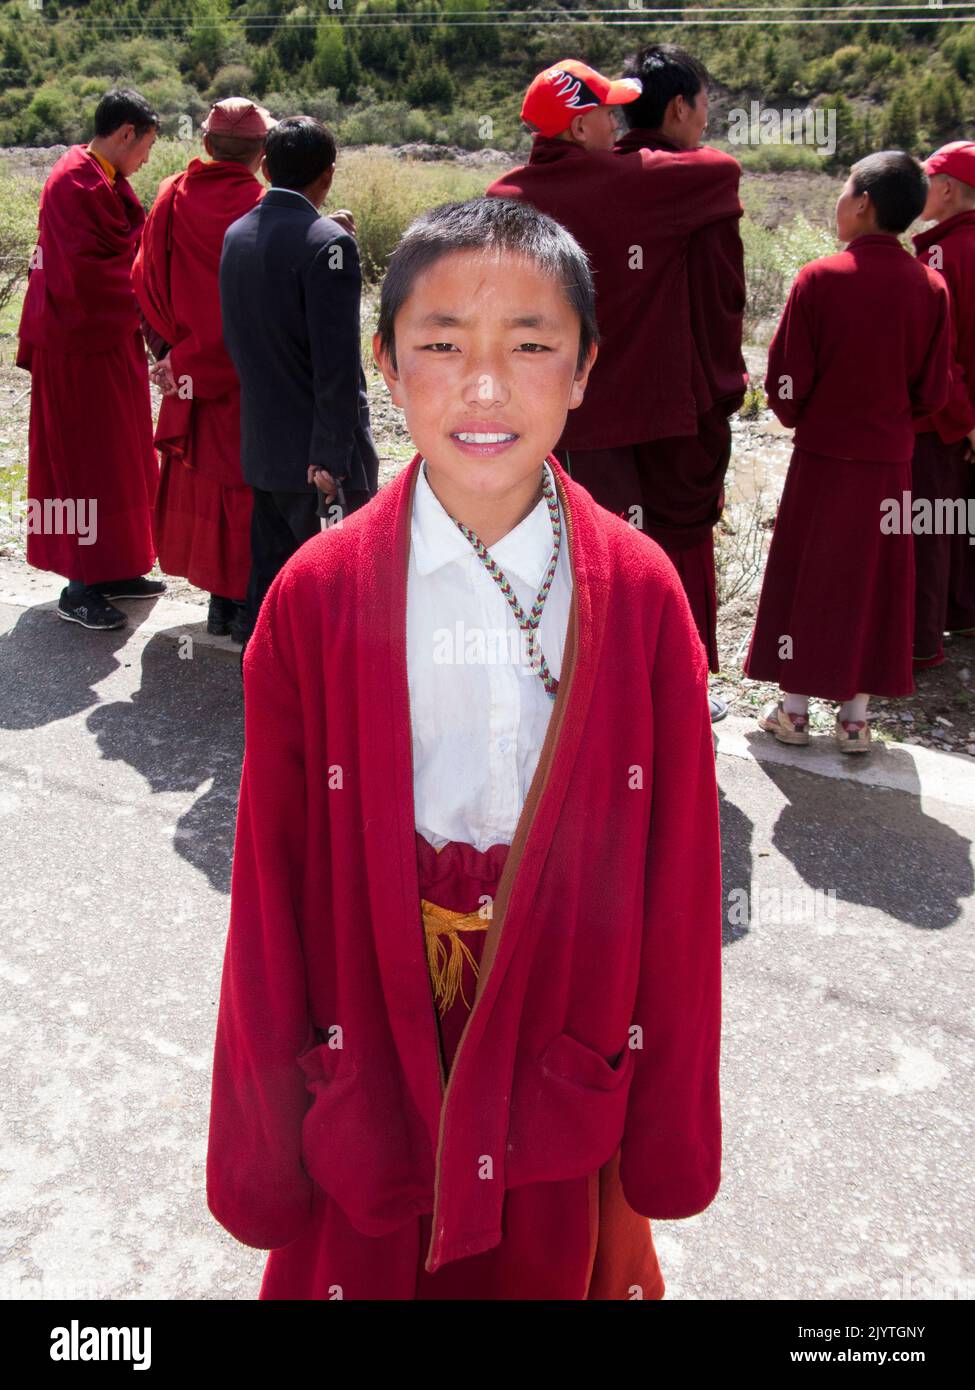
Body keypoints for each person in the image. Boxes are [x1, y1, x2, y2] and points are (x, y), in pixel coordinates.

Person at [205, 197, 722, 1299]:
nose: (484, 387)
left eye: (532, 345)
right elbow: (271, 885)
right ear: (385, 364)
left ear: (584, 367)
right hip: (370, 1039)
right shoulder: (315, 597)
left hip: (565, 1042)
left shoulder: (640, 596)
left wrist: (670, 1125)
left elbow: (678, 886)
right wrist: (260, 1137)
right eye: (441, 344)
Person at [486, 58, 742, 721]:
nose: (617, 124)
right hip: (643, 407)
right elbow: (721, 171)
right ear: (576, 127)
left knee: (561, 557)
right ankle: (652, 686)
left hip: (555, 419)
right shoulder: (637, 184)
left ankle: (567, 686)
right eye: (605, 114)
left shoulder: (504, 197)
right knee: (638, 556)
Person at [743, 152, 953, 753]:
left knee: (811, 576)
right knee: (871, 582)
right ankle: (856, 720)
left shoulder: (820, 278)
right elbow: (934, 392)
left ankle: (793, 712)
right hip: (890, 463)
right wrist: (888, 424)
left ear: (862, 202)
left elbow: (784, 381)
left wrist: (808, 419)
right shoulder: (929, 286)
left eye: (843, 190)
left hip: (824, 458)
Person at [612, 44, 747, 703]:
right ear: (676, 108)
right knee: (678, 545)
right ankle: (680, 685)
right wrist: (725, 395)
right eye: (703, 107)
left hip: (593, 411)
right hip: (677, 409)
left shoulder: (586, 181)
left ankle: (611, 684)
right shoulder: (701, 182)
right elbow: (721, 308)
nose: (704, 121)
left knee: (604, 545)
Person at [219, 115, 379, 652]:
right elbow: (336, 366)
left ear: (265, 166)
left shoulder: (236, 234)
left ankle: (264, 678)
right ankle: (328, 701)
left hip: (264, 446)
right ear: (328, 175)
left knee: (270, 582)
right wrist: (332, 456)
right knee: (339, 590)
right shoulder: (328, 244)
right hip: (318, 456)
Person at [16, 88, 165, 631]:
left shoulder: (101, 178)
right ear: (126, 133)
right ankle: (79, 584)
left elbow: (125, 251)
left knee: (120, 456)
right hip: (75, 343)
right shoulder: (73, 181)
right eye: (146, 145)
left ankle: (115, 567)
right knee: (80, 462)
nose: (146, 158)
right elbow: (86, 274)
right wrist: (148, 288)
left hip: (107, 340)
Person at [133, 99, 274, 643]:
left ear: (208, 145)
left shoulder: (172, 195)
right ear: (262, 156)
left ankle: (219, 603)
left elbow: (142, 279)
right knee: (243, 487)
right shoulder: (265, 206)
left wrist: (167, 354)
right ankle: (243, 606)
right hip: (245, 379)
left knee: (204, 481)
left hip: (186, 368)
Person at [910, 141, 975, 667]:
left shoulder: (942, 254)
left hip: (944, 419)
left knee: (929, 527)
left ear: (947, 188)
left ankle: (920, 644)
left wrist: (964, 421)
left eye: (927, 178)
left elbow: (941, 355)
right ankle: (962, 613)